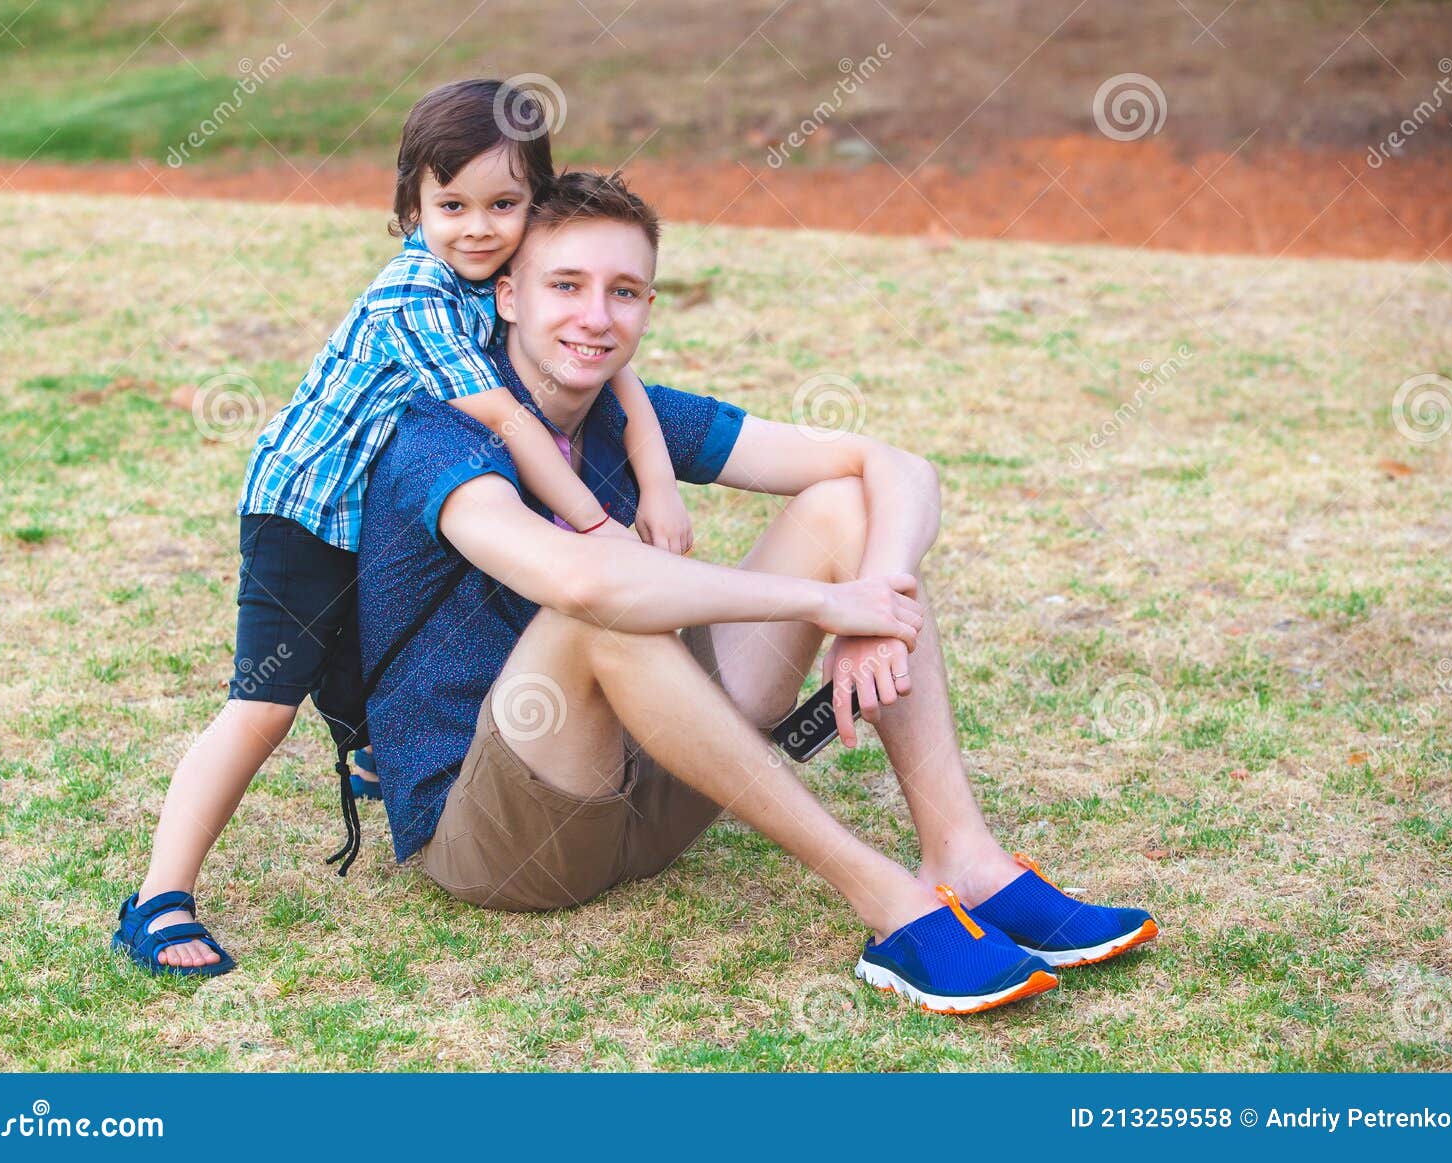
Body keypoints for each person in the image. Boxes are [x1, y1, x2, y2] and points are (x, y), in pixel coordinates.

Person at [358, 171, 1158, 1015]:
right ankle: (892, 906)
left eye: (623, 291)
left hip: (643, 795)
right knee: (599, 610)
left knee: (845, 509)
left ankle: (965, 858)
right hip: (498, 839)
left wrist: (873, 604)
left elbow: (896, 467)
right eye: (567, 285)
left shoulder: (633, 415)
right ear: (509, 296)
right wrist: (818, 605)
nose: (596, 316)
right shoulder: (438, 429)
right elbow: (581, 576)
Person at [113, 81, 690, 977]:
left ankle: (376, 755)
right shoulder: (418, 296)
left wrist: (658, 479)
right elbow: (502, 417)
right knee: (262, 706)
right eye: (449, 204)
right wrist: (594, 525)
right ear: (410, 206)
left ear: (535, 205)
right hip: (301, 513)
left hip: (371, 518)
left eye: (504, 204)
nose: (476, 226)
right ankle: (158, 896)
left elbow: (620, 377)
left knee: (374, 655)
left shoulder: (501, 281)